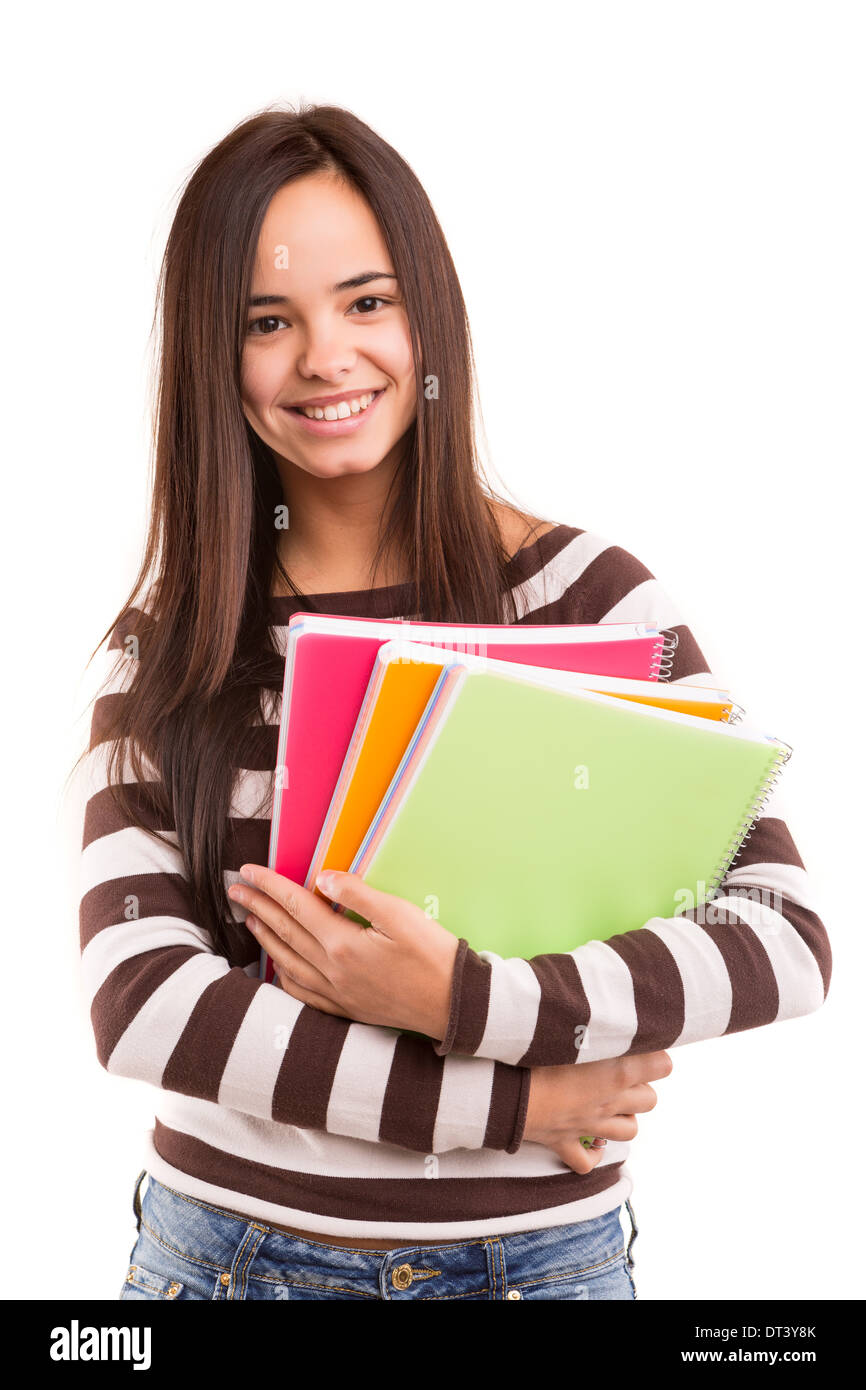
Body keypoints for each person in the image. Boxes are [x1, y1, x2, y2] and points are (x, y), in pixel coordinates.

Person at [70, 104, 831, 1302]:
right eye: (269, 321)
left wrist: (457, 995)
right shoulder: (168, 649)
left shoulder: (585, 598)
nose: (327, 357)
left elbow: (778, 935)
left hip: (545, 1265)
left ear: (428, 314)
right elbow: (146, 1006)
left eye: (367, 302)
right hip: (230, 1264)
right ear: (215, 358)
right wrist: (511, 1096)